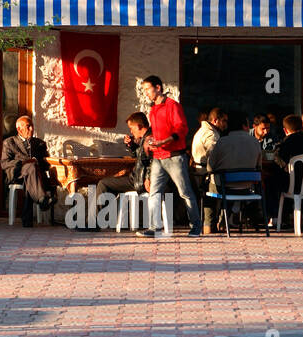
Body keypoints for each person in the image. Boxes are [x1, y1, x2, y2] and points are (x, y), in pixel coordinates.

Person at [137, 75, 202, 237]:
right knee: (154, 192)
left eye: (147, 89)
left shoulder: (173, 106)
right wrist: (149, 140)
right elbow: (155, 131)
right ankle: (154, 227)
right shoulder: (153, 109)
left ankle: (196, 225)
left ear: (158, 87)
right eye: (144, 89)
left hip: (174, 156)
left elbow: (181, 129)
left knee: (184, 192)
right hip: (158, 157)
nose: (146, 93)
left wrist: (163, 142)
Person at [207, 112, 266, 229]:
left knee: (212, 182)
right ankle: (234, 219)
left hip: (225, 187)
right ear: (244, 126)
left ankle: (209, 224)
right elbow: (259, 167)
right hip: (247, 186)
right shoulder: (255, 142)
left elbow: (210, 167)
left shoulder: (222, 142)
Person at [95, 111, 151, 227]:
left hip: (139, 181)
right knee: (108, 184)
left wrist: (148, 177)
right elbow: (142, 157)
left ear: (138, 126)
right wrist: (132, 146)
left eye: (131, 128)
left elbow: (154, 160)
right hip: (137, 178)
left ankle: (94, 222)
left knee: (103, 184)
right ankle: (102, 219)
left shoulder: (149, 139)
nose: (131, 131)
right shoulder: (145, 138)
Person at [1, 113, 56, 228]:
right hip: (17, 174)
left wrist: (36, 162)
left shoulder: (39, 143)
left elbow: (46, 164)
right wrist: (24, 162)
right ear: (19, 129)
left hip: (34, 176)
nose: (31, 128)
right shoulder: (9, 142)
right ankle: (42, 199)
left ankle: (28, 219)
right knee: (30, 168)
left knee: (31, 175)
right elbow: (5, 163)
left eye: (32, 125)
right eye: (28, 126)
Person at [191, 107, 228, 233]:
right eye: (224, 121)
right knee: (226, 187)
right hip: (205, 174)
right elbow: (213, 155)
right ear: (216, 120)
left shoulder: (203, 130)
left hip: (199, 172)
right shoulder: (211, 134)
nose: (226, 124)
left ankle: (214, 224)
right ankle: (213, 224)